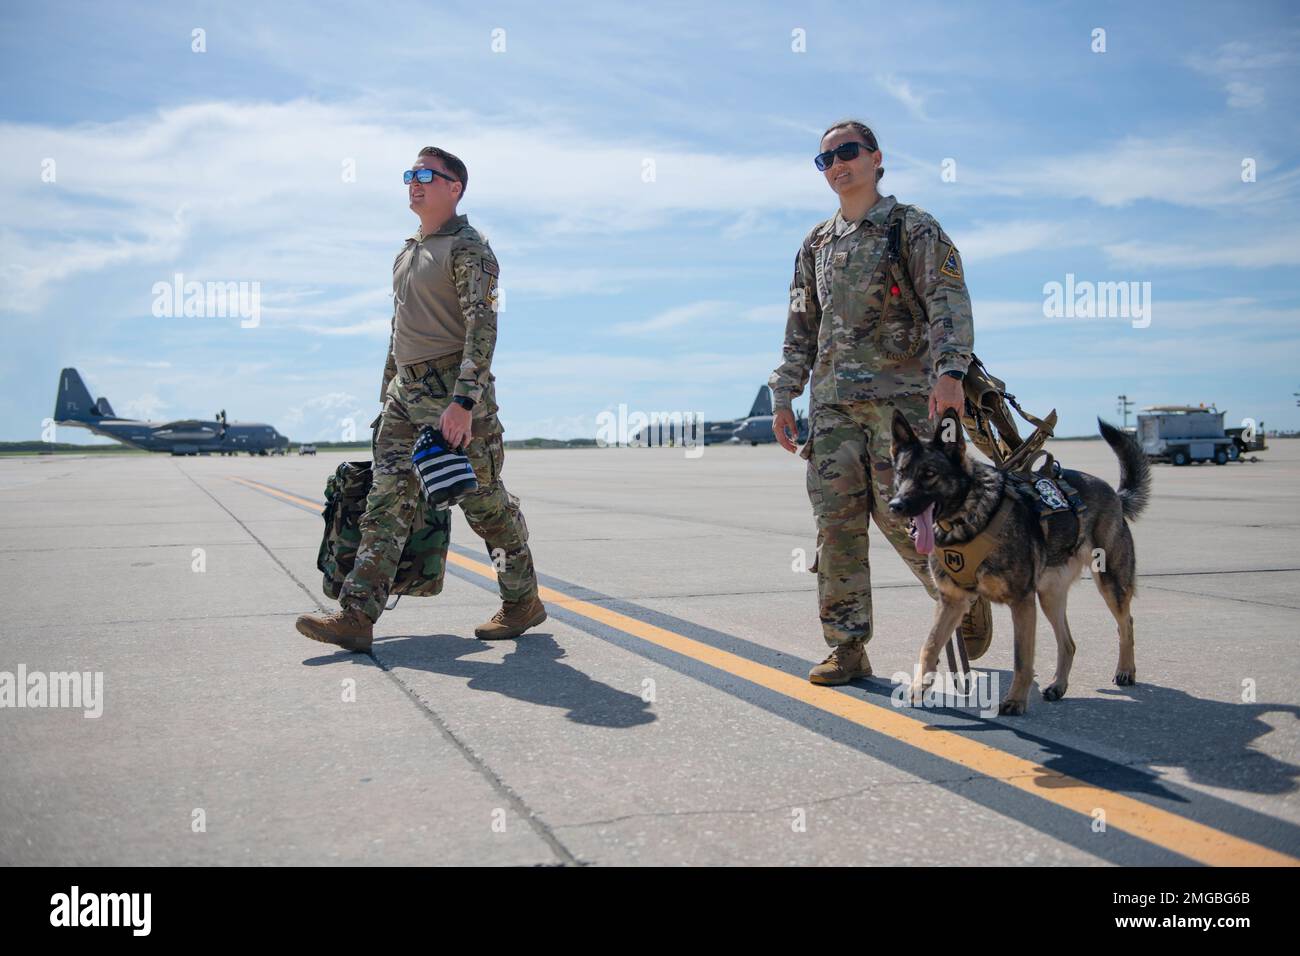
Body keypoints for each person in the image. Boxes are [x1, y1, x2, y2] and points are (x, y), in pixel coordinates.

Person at [295, 146, 545, 652]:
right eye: (410, 174)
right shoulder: (407, 250)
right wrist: (386, 392)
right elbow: (399, 330)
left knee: (485, 505)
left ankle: (523, 602)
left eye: (428, 175)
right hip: (404, 397)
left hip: (452, 394)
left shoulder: (470, 247)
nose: (415, 182)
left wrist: (465, 403)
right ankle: (356, 616)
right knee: (384, 503)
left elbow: (483, 326)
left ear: (455, 187)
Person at [769, 120, 992, 685]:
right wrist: (784, 392)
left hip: (904, 410)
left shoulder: (910, 228)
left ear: (875, 159)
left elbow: (948, 300)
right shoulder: (816, 243)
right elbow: (801, 324)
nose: (837, 165)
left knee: (914, 522)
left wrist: (951, 374)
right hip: (833, 411)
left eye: (848, 153)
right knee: (836, 526)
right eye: (826, 160)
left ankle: (962, 597)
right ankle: (847, 647)